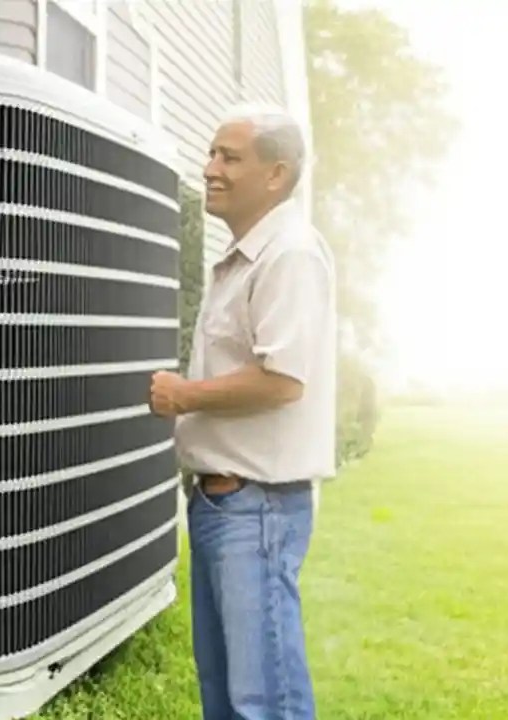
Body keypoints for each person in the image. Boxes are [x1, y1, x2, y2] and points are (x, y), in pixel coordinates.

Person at [149, 106, 337, 719]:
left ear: (277, 174)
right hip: (221, 504)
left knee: (264, 702)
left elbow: (284, 380)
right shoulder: (243, 257)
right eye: (211, 154)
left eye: (229, 157)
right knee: (227, 699)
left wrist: (184, 396)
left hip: (257, 508)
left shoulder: (289, 255)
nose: (209, 169)